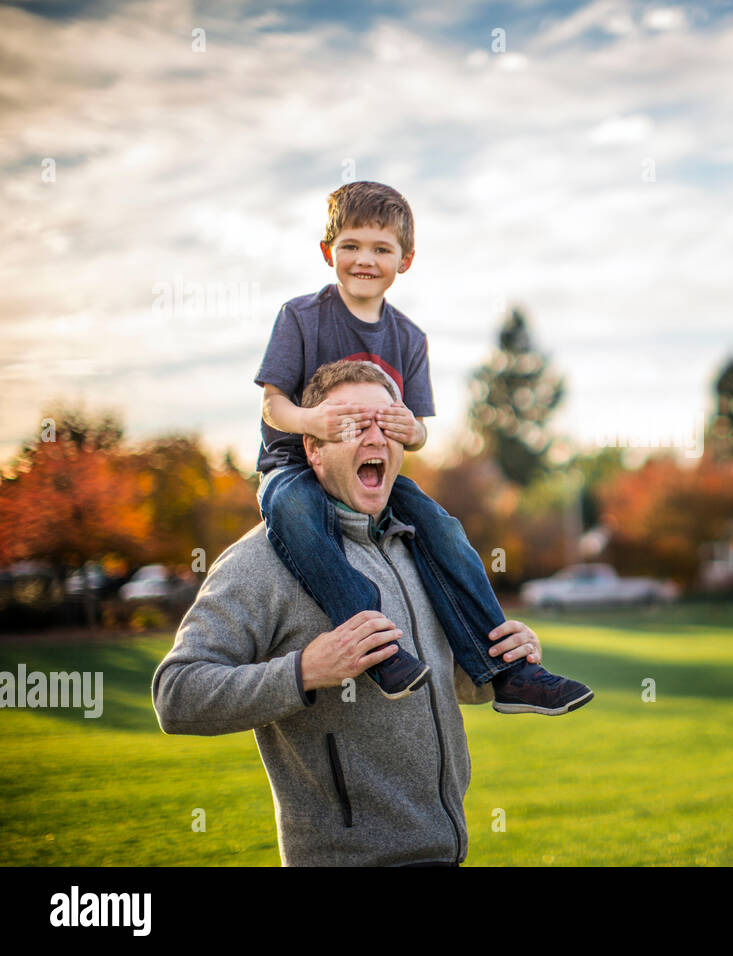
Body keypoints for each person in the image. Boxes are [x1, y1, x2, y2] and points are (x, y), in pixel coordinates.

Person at [153, 361, 549, 865]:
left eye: (387, 425)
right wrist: (305, 671)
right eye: (355, 426)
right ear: (313, 448)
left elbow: (444, 685)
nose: (376, 439)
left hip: (444, 853)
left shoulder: (417, 547)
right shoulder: (262, 561)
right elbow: (176, 693)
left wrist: (501, 662)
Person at [256, 180, 590, 714]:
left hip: (370, 476)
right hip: (294, 465)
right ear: (328, 252)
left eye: (381, 249)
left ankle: (505, 671)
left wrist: (411, 432)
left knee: (444, 528)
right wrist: (313, 420)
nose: (365, 260)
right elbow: (273, 405)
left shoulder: (408, 338)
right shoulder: (301, 317)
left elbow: (419, 430)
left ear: (404, 260)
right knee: (296, 511)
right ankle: (378, 647)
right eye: (351, 246)